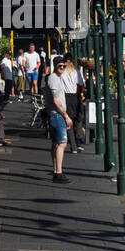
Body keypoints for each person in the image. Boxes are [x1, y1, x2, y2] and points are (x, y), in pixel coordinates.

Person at [44, 54, 72, 182]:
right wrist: (66, 116)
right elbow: (56, 101)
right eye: (59, 66)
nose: (62, 68)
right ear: (55, 66)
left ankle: (56, 171)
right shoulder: (54, 79)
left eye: (64, 66)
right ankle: (59, 172)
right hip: (57, 115)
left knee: (55, 143)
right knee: (62, 143)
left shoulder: (56, 78)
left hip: (55, 114)